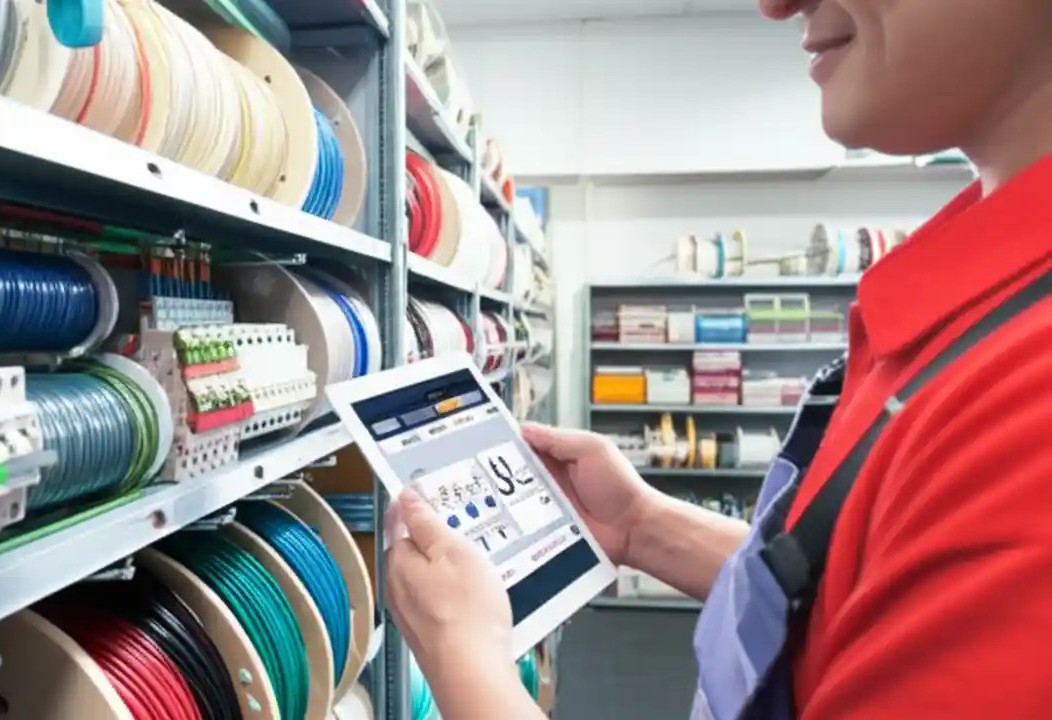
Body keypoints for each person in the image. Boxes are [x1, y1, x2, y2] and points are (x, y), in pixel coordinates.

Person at [385, 0, 1052, 717]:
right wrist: (644, 528)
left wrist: (465, 659)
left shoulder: (1030, 413)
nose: (775, 4)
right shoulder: (982, 307)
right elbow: (860, 595)